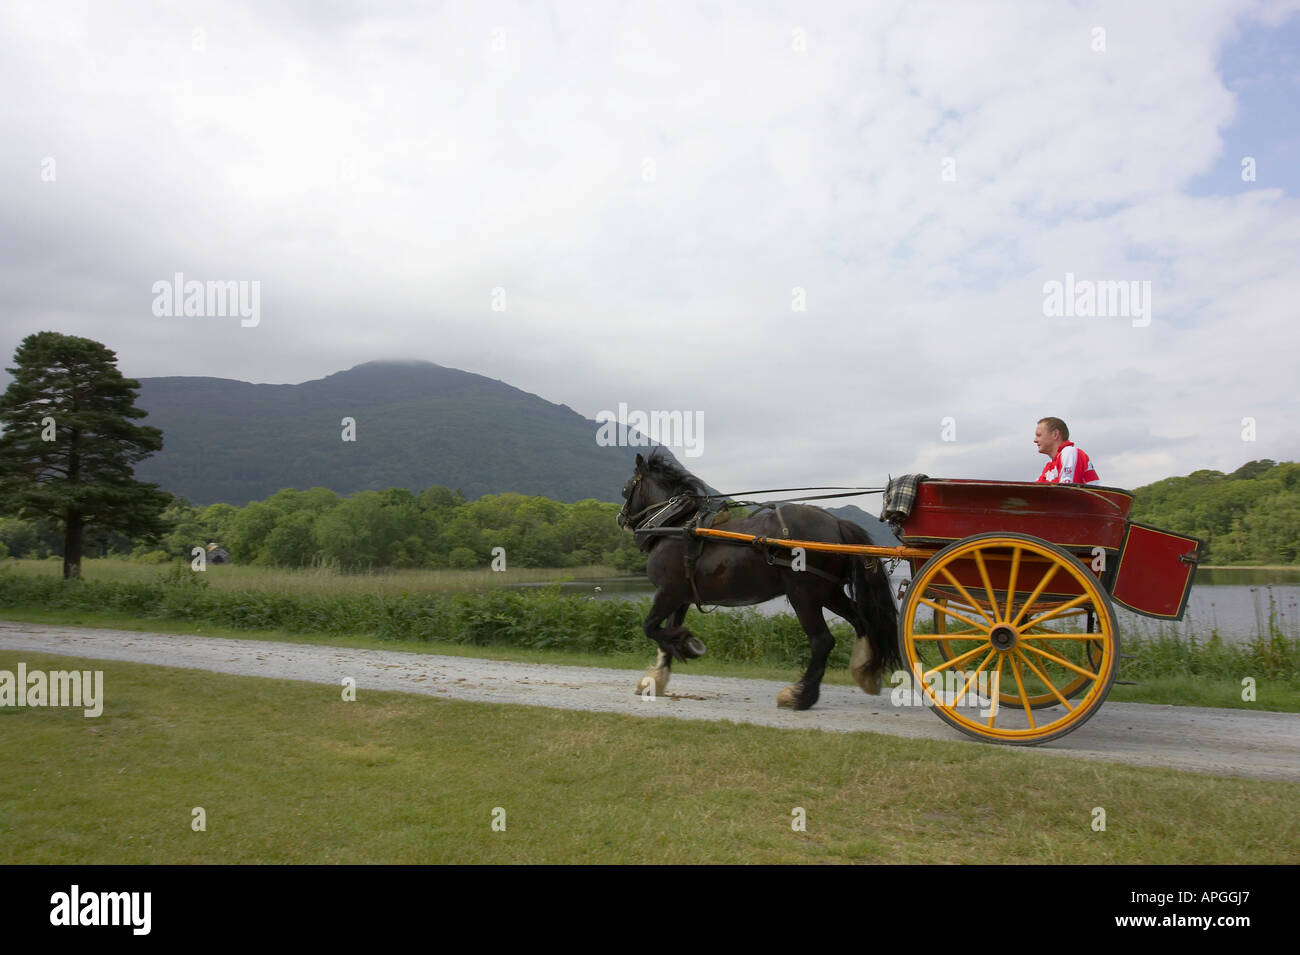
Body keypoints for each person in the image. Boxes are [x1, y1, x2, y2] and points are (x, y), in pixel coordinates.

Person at [1034, 417, 1099, 484]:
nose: (1035, 440)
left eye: (1039, 435)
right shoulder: (1050, 465)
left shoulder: (1069, 452)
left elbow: (1067, 490)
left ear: (1055, 434)